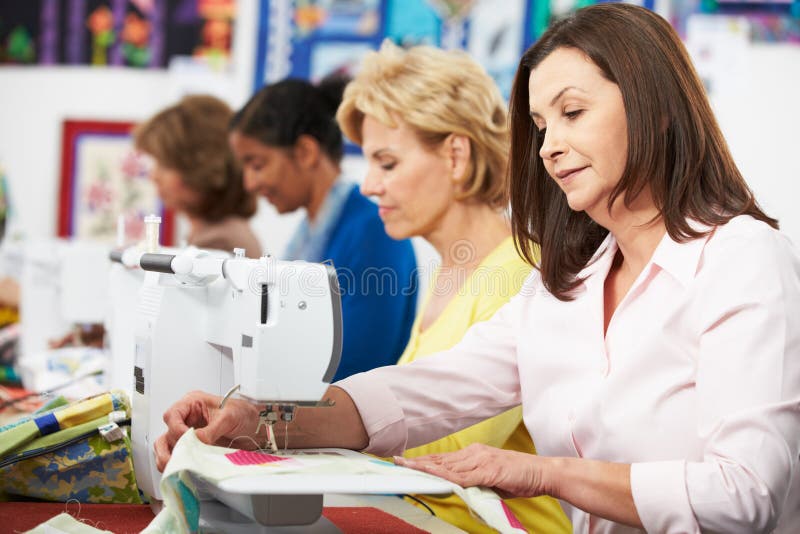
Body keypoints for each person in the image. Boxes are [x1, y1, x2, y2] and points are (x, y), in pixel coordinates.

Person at [155, 4, 800, 533]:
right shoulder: (564, 287)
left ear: (653, 106)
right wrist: (260, 418)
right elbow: (417, 395)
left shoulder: (741, 259)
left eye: (572, 114)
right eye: (541, 125)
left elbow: (744, 494)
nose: (548, 147)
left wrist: (543, 473)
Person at [335, 42, 569, 532]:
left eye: (387, 162)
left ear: (456, 155)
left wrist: (308, 425)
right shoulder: (448, 271)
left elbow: (451, 449)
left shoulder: (520, 274)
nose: (368, 185)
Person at [228, 76, 417, 380]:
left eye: (257, 164)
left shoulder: (373, 231)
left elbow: (359, 364)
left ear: (305, 151)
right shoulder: (314, 232)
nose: (249, 182)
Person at [134, 94, 262, 258]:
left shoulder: (218, 243)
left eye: (165, 165)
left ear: (200, 169)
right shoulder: (216, 234)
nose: (153, 176)